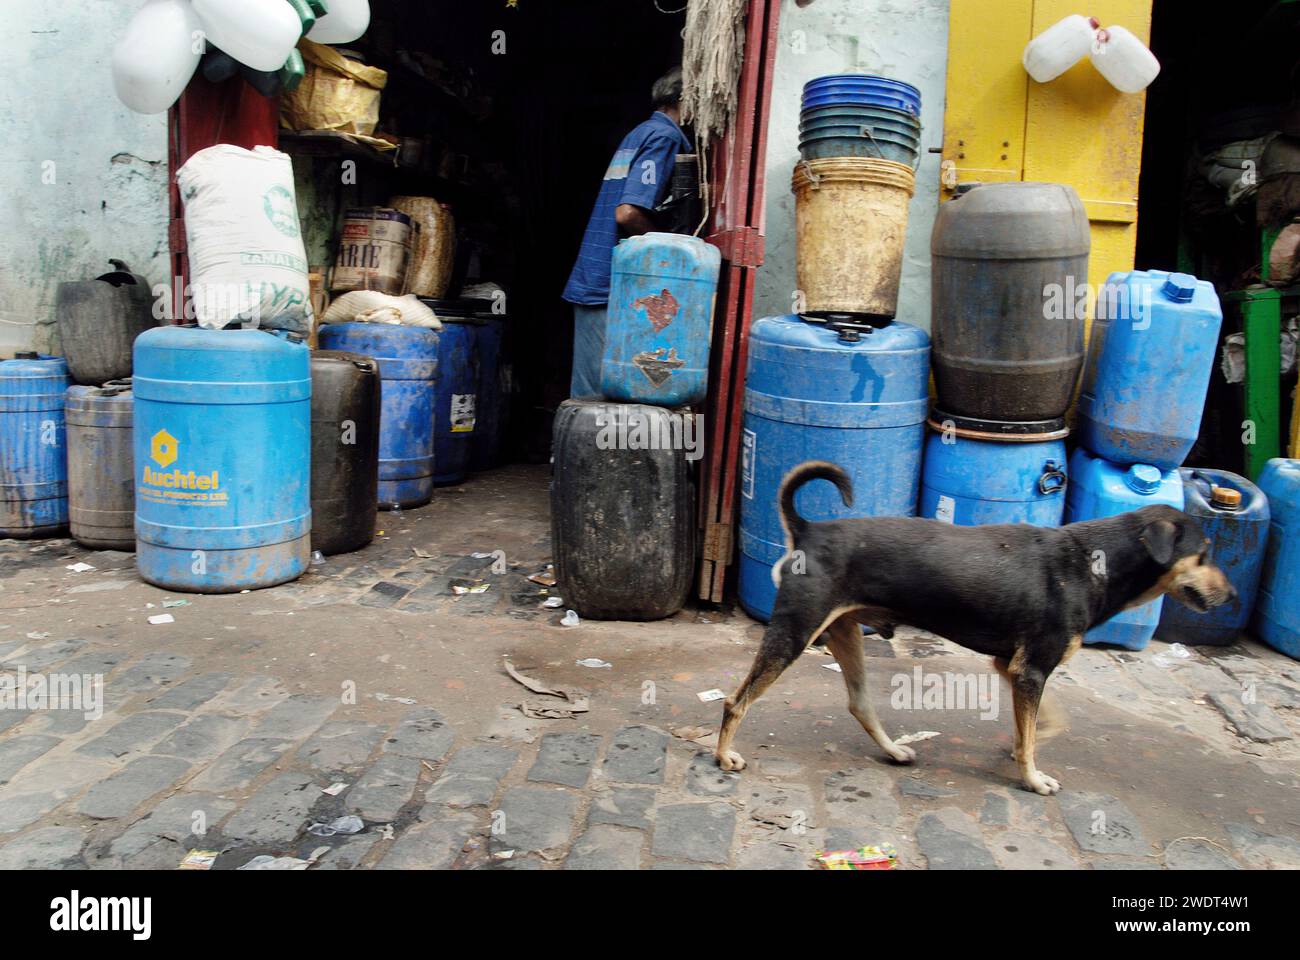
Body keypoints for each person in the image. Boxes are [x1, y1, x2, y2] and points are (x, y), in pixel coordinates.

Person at [562, 67, 691, 398]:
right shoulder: (665, 137)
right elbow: (628, 212)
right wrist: (669, 245)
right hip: (612, 284)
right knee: (599, 402)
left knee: (591, 396)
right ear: (684, 99)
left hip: (598, 275)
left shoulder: (640, 132)